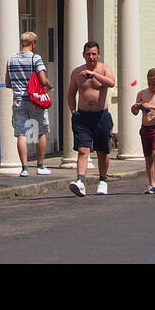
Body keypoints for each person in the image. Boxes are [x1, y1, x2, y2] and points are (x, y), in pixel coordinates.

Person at [67, 41, 115, 196]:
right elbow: (71, 93)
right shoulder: (76, 72)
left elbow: (112, 83)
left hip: (101, 115)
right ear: (84, 55)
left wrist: (94, 74)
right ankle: (80, 181)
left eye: (94, 54)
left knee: (102, 151)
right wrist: (74, 111)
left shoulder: (104, 69)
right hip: (83, 116)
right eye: (88, 54)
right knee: (82, 150)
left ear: (98, 55)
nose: (91, 57)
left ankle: (103, 180)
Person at [5, 30, 52, 176]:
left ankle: (24, 168)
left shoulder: (11, 59)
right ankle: (40, 165)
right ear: (33, 43)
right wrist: (49, 86)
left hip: (19, 100)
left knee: (21, 133)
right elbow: (43, 80)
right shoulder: (35, 58)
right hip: (35, 99)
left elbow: (7, 83)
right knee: (40, 131)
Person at [132, 68, 155, 193]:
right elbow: (135, 112)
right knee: (148, 157)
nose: (151, 86)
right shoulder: (142, 93)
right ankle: (151, 183)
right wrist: (135, 107)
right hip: (145, 128)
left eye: (154, 84)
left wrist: (152, 106)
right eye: (149, 83)